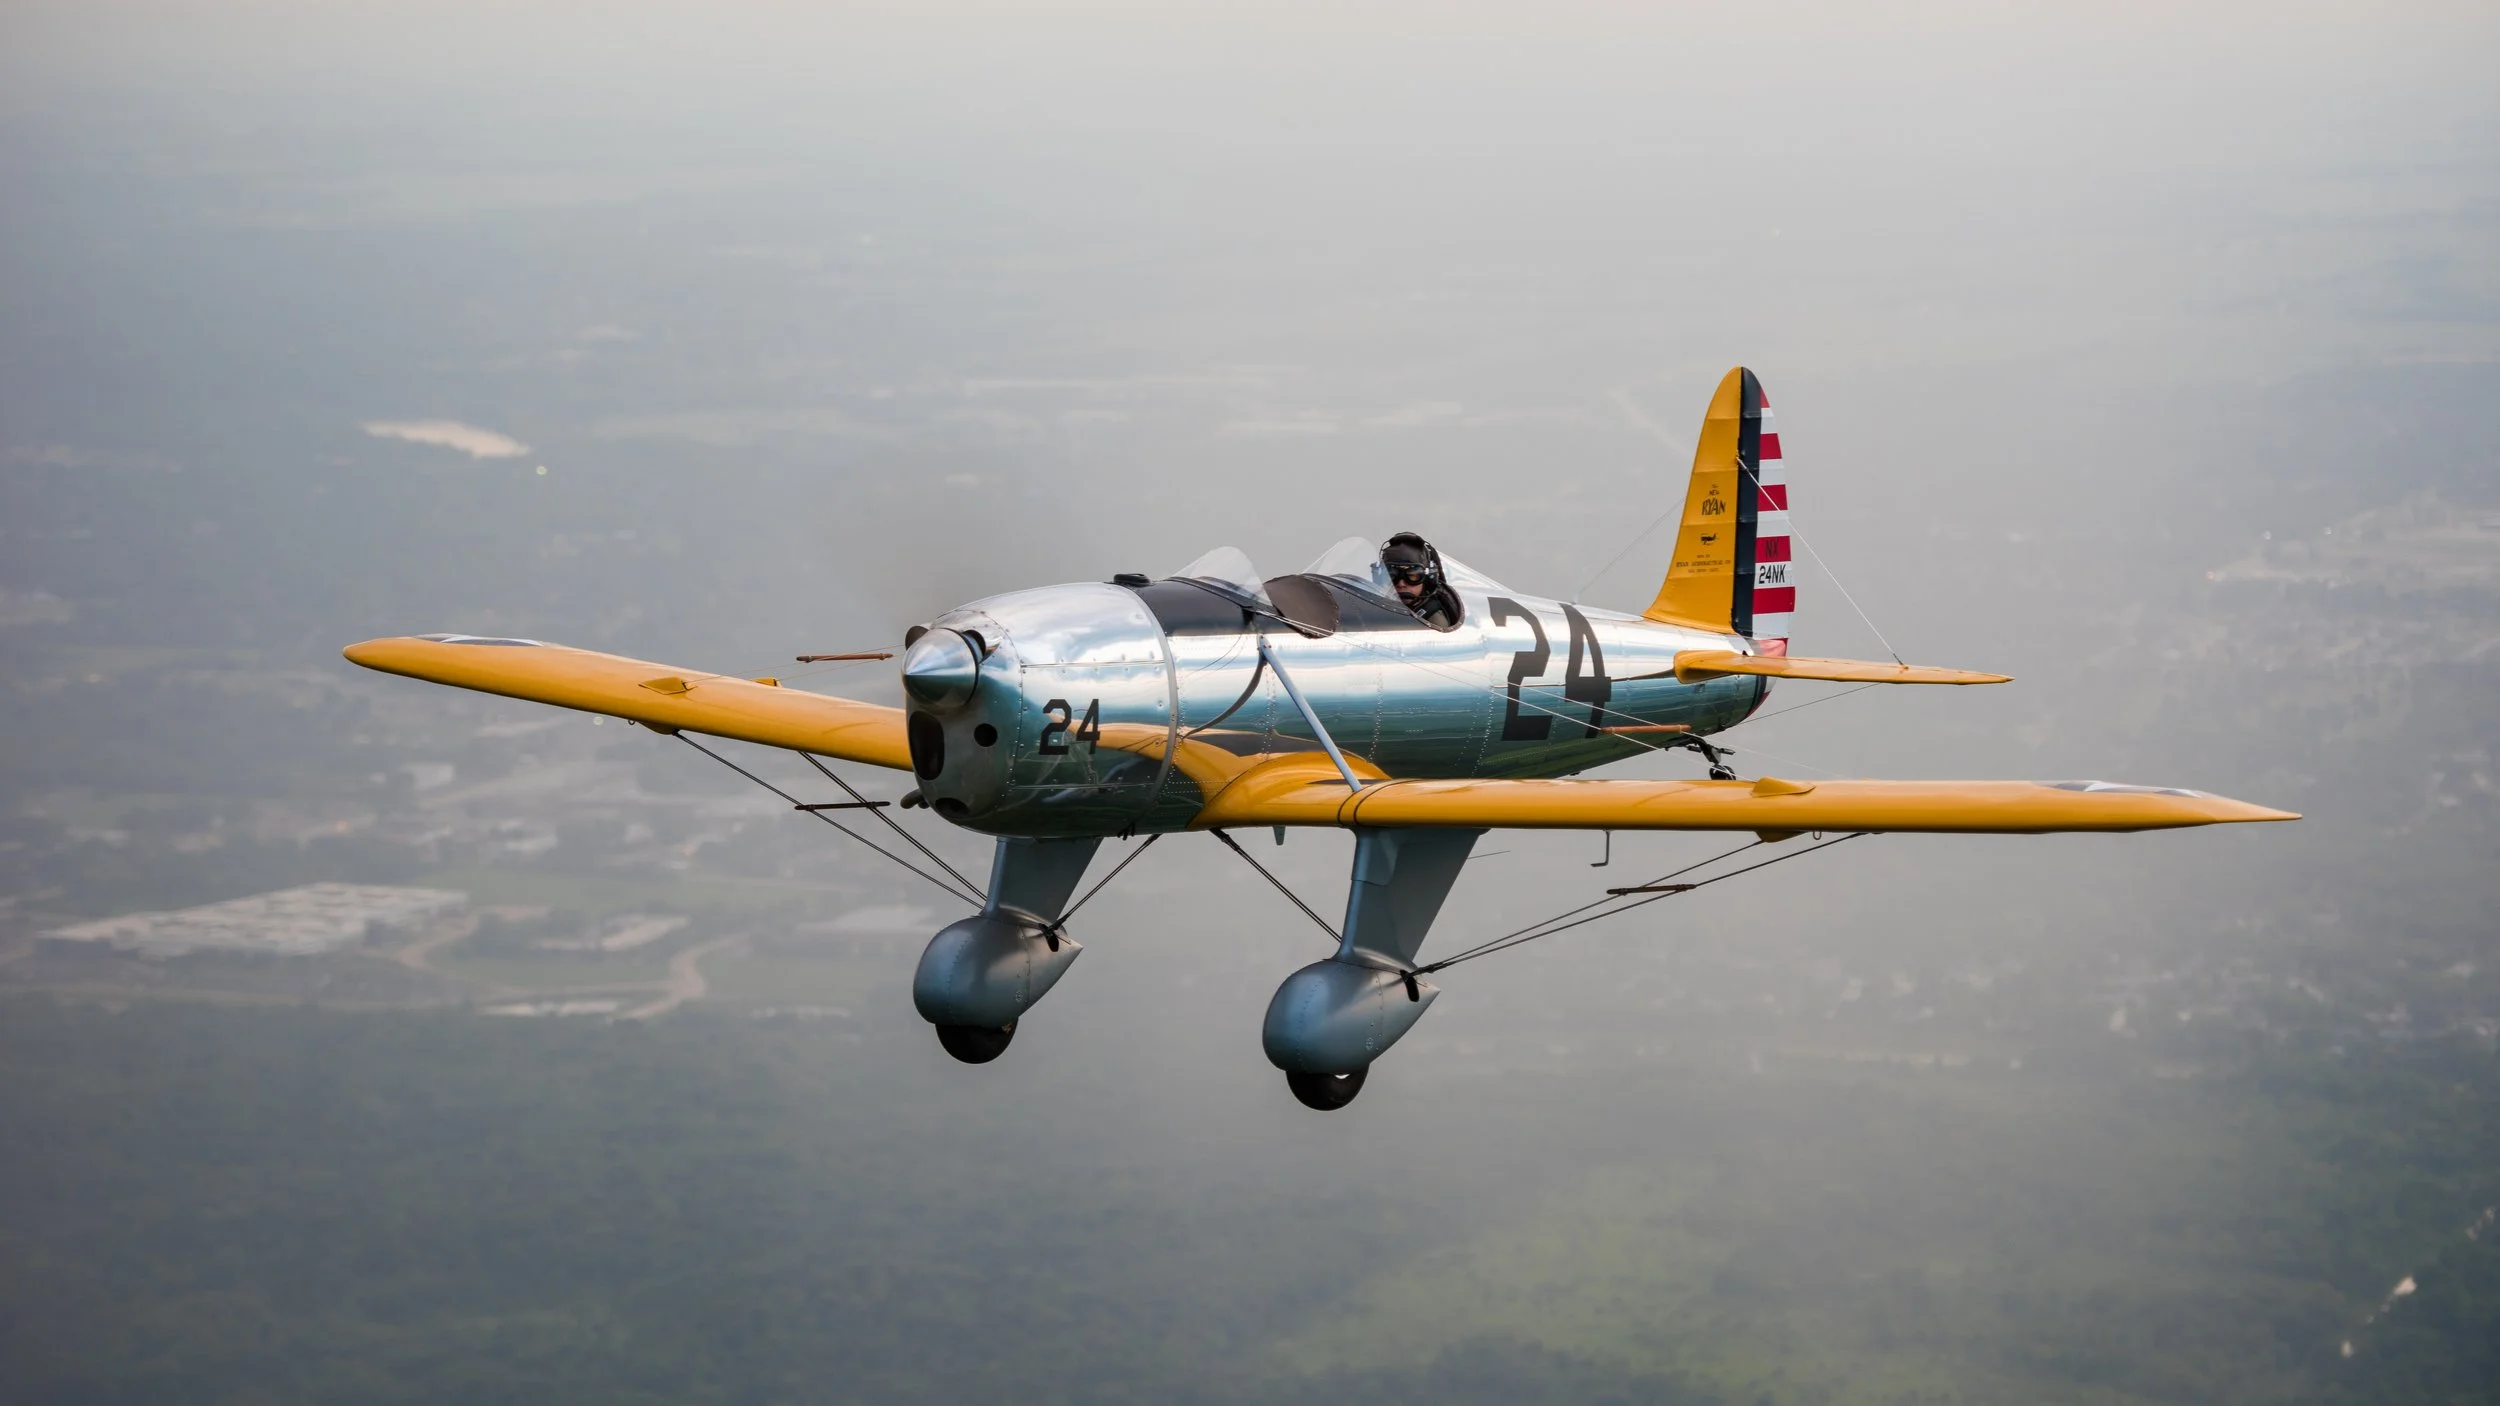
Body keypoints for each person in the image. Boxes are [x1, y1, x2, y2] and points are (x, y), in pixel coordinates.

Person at [1381, 531, 1460, 629]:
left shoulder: (1435, 622)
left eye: (1413, 576)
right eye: (1392, 575)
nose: (1401, 584)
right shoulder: (1378, 608)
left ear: (1429, 578)